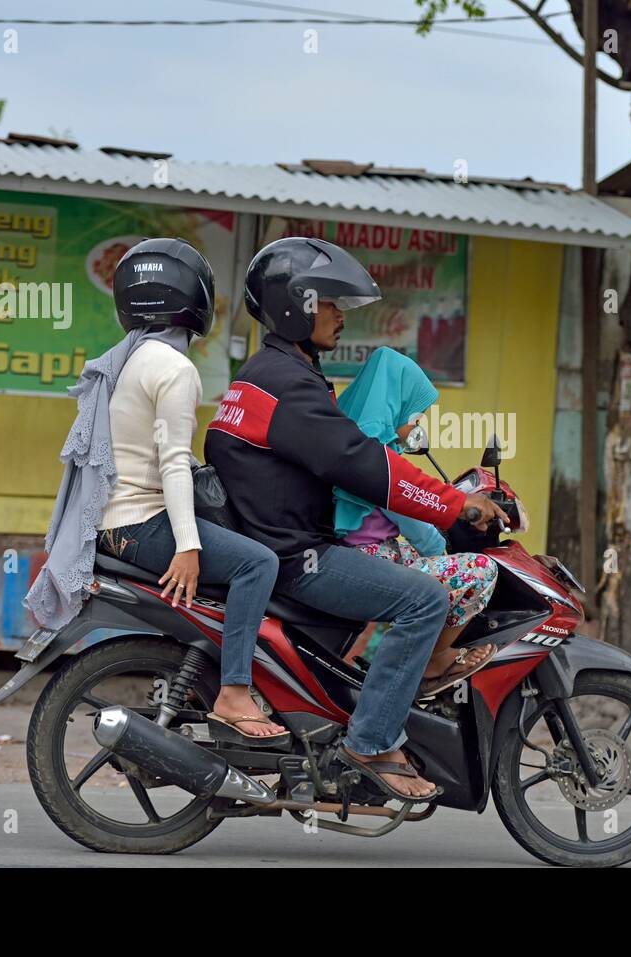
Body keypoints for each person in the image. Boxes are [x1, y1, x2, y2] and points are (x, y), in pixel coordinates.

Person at [205, 236, 505, 802]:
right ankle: (370, 742)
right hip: (298, 557)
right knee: (424, 600)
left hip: (275, 544)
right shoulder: (288, 384)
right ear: (296, 304)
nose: (341, 316)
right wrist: (450, 502)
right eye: (330, 304)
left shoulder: (271, 373)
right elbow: (363, 463)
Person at [26, 238, 284, 742]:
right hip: (142, 523)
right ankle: (234, 693)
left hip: (114, 524)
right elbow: (171, 464)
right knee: (259, 563)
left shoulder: (129, 359)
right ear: (196, 300)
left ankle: (203, 684)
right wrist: (188, 545)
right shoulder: (174, 368)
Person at [333, 347, 498, 697]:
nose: (418, 423)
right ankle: (432, 660)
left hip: (358, 554)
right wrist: (445, 547)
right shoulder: (379, 454)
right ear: (393, 402)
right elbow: (413, 519)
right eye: (416, 414)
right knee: (479, 570)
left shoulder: (352, 439)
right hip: (368, 561)